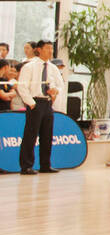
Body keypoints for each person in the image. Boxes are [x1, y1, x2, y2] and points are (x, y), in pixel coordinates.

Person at [17, 40, 64, 175]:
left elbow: (60, 85)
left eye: (51, 49)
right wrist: (31, 103)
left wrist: (55, 91)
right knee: (30, 135)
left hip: (48, 103)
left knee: (47, 135)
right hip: (35, 102)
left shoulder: (53, 68)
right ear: (39, 50)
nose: (50, 51)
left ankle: (45, 165)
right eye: (47, 48)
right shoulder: (29, 66)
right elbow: (22, 86)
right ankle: (26, 166)